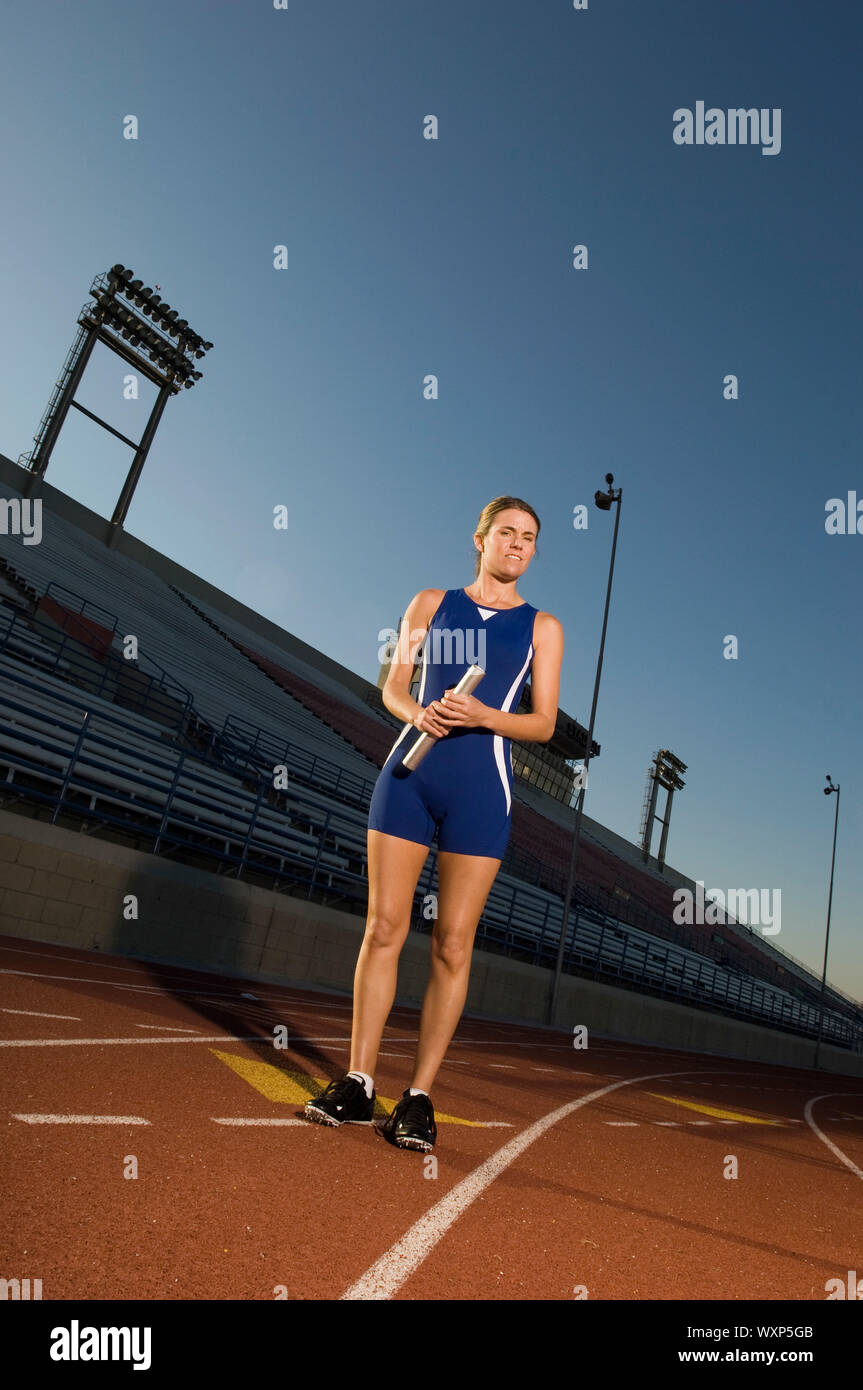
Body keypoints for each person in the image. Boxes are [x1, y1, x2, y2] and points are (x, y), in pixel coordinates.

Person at [303, 496, 563, 1151]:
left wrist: (482, 716)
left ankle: (417, 1096)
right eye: (506, 532)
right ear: (480, 538)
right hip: (410, 776)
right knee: (384, 926)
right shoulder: (427, 603)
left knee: (451, 942)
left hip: (482, 786)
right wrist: (415, 713)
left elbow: (543, 724)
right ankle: (359, 1082)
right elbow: (393, 687)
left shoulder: (542, 628)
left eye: (528, 538)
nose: (517, 545)